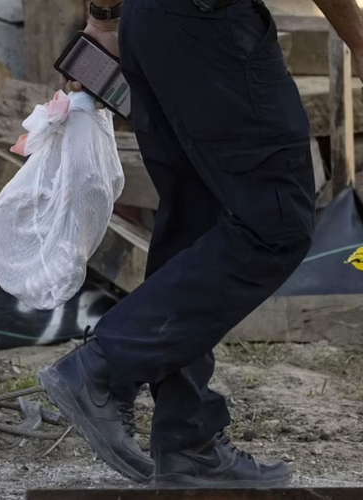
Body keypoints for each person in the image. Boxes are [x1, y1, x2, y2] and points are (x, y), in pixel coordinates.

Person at [38, 0, 363, 489]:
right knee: (275, 224)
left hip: (149, 25)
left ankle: (187, 440)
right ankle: (103, 368)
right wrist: (360, 41)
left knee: (195, 220)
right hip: (213, 23)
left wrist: (105, 17)